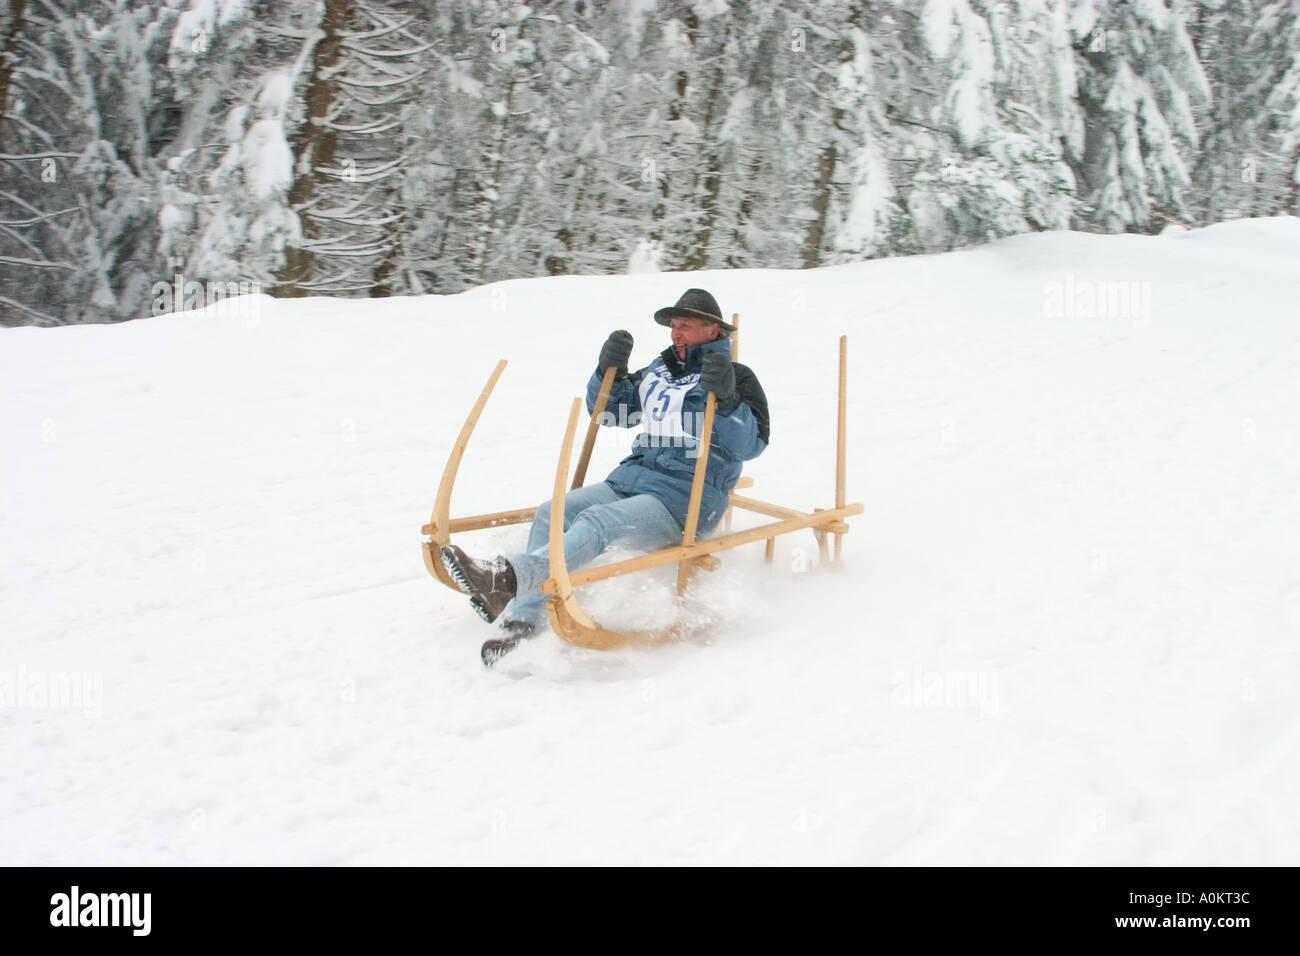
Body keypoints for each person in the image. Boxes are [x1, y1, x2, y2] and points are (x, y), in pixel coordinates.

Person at [441, 288, 770, 664]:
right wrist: (607, 374)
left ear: (712, 330)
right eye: (673, 326)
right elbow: (609, 413)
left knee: (597, 522)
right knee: (552, 512)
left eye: (686, 326)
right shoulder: (659, 373)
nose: (676, 334)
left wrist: (726, 401)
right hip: (633, 479)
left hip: (686, 500)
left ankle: (506, 577)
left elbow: (751, 445)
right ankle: (525, 618)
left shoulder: (738, 378)